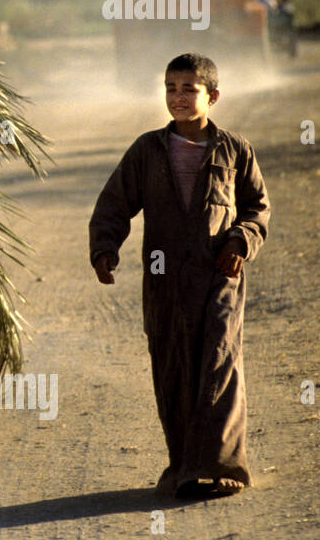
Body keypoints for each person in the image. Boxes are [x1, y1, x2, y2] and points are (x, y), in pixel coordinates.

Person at [89, 53, 270, 499]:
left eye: (189, 89)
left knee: (220, 361)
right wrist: (104, 250)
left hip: (219, 275)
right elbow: (115, 204)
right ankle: (187, 466)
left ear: (213, 96)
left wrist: (240, 242)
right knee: (174, 366)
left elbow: (257, 208)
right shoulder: (146, 150)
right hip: (165, 278)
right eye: (171, 88)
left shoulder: (235, 150)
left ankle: (224, 465)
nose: (178, 97)